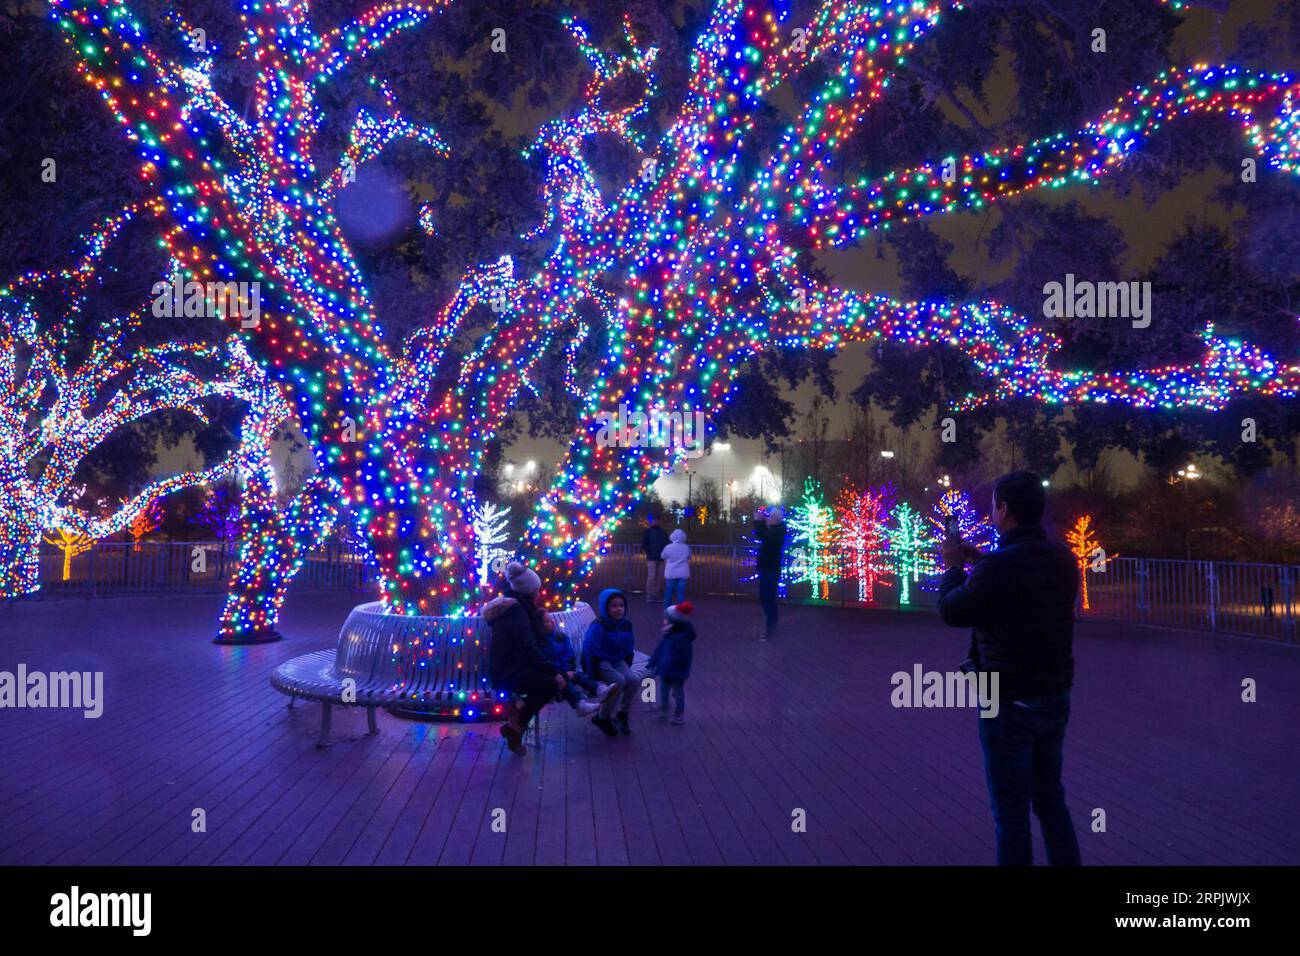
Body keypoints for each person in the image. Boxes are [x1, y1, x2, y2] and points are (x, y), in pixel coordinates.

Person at [937, 471, 1082, 866]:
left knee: (1011, 814)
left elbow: (953, 610)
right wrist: (978, 559)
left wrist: (953, 567)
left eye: (994, 507)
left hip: (1007, 703)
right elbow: (1021, 580)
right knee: (1051, 801)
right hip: (1054, 697)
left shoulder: (998, 569)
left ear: (1004, 510)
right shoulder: (1063, 560)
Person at [483, 561, 567, 755]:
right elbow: (528, 649)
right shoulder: (516, 612)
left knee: (557, 677)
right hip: (507, 673)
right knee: (551, 683)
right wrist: (554, 672)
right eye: (536, 591)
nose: (538, 595)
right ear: (528, 592)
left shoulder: (517, 608)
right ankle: (515, 728)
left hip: (514, 667)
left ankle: (515, 726)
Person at [582, 588, 638, 736]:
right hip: (600, 661)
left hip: (617, 659)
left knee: (633, 679)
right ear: (606, 608)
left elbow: (628, 647)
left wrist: (626, 664)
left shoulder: (626, 625)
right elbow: (590, 651)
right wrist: (592, 674)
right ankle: (603, 717)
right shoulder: (598, 627)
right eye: (614, 606)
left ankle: (622, 713)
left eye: (621, 605)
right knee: (618, 681)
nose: (619, 609)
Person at [540, 612, 613, 716]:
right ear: (540, 627)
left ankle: (599, 689)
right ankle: (580, 703)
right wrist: (564, 673)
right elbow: (546, 662)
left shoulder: (561, 637)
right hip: (553, 675)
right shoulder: (540, 643)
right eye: (547, 622)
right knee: (566, 679)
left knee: (578, 675)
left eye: (551, 620)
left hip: (566, 670)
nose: (552, 622)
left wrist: (569, 669)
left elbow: (569, 654)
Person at [647, 600, 695, 725]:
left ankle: (675, 714)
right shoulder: (671, 634)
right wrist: (654, 661)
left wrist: (654, 662)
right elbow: (662, 649)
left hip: (673, 671)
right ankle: (667, 712)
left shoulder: (678, 639)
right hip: (668, 670)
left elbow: (667, 653)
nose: (664, 621)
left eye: (666, 619)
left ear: (675, 623)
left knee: (675, 691)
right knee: (668, 690)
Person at [752, 506, 786, 639]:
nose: (768, 518)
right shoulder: (775, 530)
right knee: (765, 598)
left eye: (771, 517)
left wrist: (758, 522)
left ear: (776, 519)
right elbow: (765, 535)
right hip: (767, 569)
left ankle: (771, 628)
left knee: (768, 599)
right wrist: (761, 522)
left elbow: (764, 535)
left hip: (770, 570)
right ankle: (773, 624)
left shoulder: (778, 531)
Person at [642, 515, 670, 603]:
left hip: (659, 558)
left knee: (658, 577)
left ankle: (655, 595)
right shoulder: (649, 531)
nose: (656, 522)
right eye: (655, 520)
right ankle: (650, 595)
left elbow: (666, 544)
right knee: (652, 577)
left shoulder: (662, 532)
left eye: (657, 520)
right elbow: (644, 543)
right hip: (652, 557)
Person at [661, 528, 690, 606]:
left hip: (671, 572)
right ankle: (681, 608)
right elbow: (689, 557)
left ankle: (667, 608)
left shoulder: (668, 547)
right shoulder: (686, 547)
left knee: (669, 591)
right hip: (683, 572)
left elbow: (662, 556)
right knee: (681, 592)